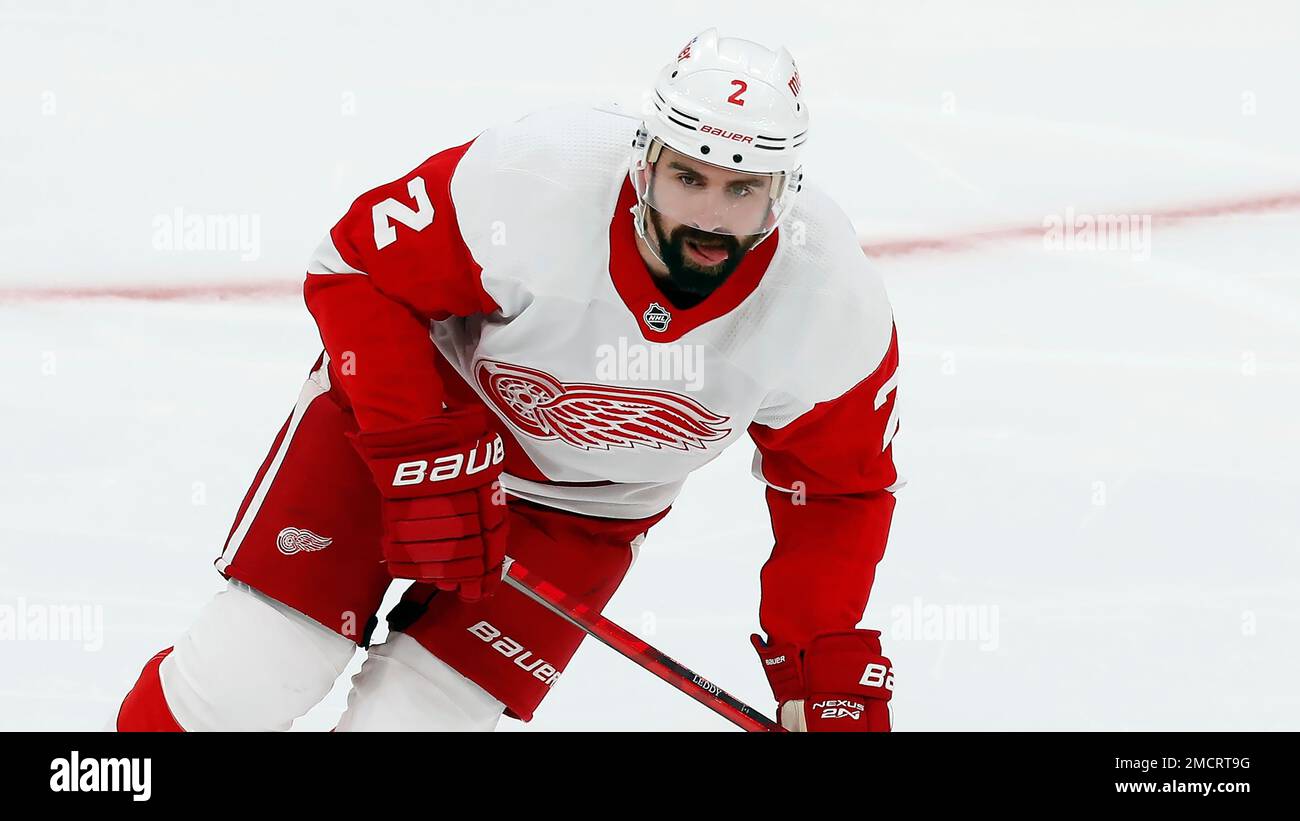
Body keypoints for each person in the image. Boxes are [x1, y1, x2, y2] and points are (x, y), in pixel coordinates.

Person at [115, 27, 902, 733]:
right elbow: (356, 270)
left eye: (742, 190)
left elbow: (838, 492)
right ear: (644, 158)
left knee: (416, 724)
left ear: (781, 193)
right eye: (687, 179)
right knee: (247, 678)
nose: (709, 216)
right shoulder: (537, 176)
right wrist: (418, 449)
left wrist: (820, 663)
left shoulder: (828, 298)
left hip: (577, 518)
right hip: (397, 437)